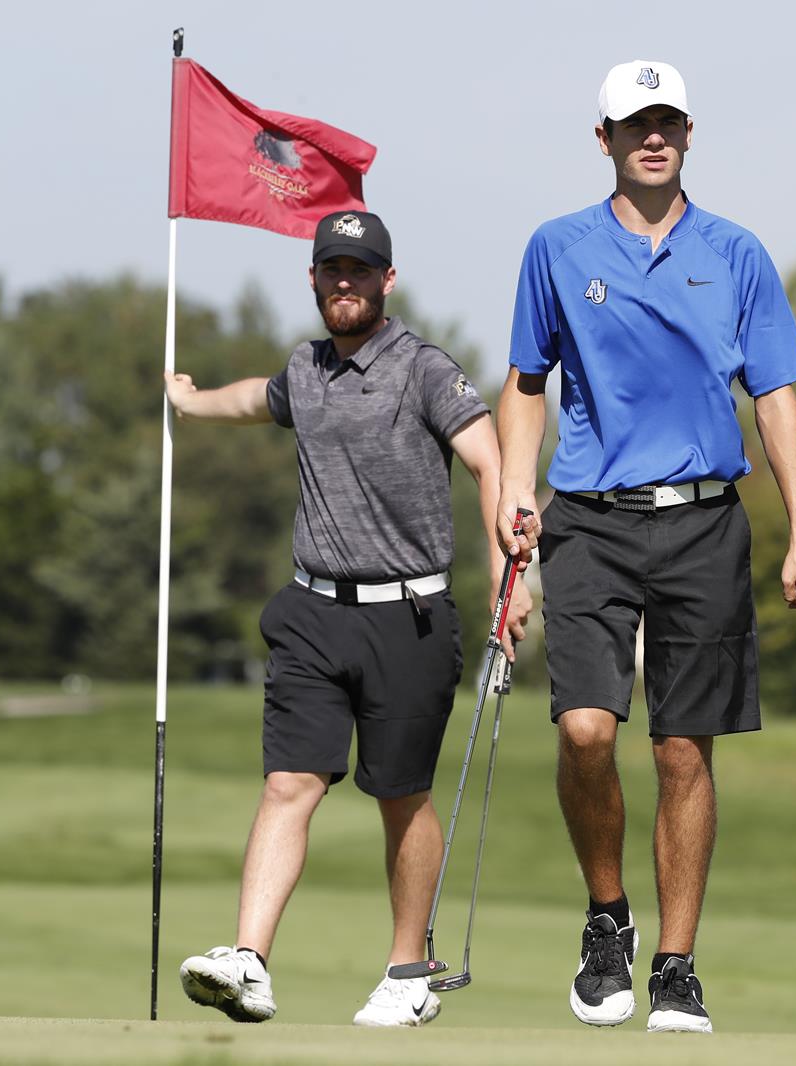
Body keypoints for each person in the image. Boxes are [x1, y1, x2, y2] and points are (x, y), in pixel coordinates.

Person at [494, 60, 796, 1034]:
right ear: (601, 139)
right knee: (586, 729)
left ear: (688, 133)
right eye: (634, 124)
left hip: (704, 518)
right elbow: (527, 378)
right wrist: (515, 493)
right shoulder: (557, 247)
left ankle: (677, 966)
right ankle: (609, 920)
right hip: (591, 516)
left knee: (684, 747)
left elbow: (775, 393)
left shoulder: (736, 252)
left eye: (668, 121)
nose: (654, 136)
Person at [163, 210, 530, 1027]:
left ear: (386, 281)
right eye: (332, 269)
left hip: (411, 617)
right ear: (315, 279)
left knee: (400, 796)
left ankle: (408, 972)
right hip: (313, 612)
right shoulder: (306, 369)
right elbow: (253, 400)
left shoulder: (426, 369)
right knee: (289, 783)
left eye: (360, 271)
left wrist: (511, 566)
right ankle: (249, 960)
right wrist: (188, 402)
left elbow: (485, 459)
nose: (344, 283)